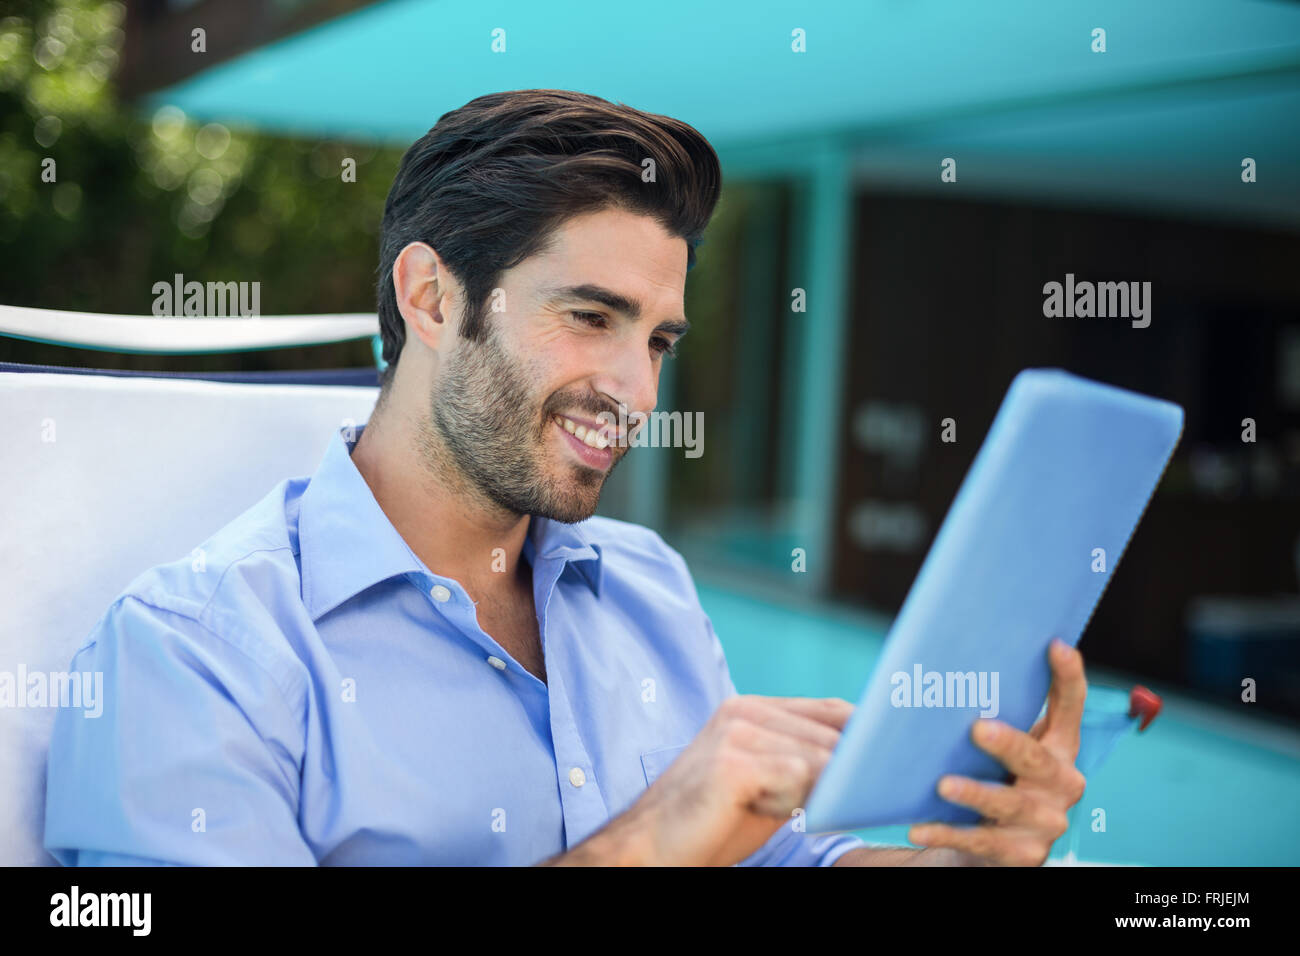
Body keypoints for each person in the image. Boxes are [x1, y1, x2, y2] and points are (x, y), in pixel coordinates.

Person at [43, 89, 1087, 866]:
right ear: (432, 298)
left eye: (660, 340)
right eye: (589, 316)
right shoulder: (193, 656)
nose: (635, 389)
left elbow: (772, 856)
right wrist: (639, 845)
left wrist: (944, 859)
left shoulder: (649, 588)